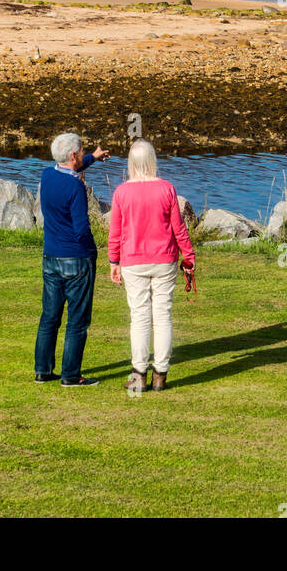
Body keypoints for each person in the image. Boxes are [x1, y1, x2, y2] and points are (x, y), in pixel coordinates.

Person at [108, 138, 195, 393]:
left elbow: (115, 232)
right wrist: (188, 257)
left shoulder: (122, 192)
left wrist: (114, 261)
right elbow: (178, 228)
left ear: (131, 163)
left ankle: (139, 373)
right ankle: (160, 373)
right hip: (164, 259)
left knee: (140, 317)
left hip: (134, 260)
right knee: (162, 315)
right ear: (152, 161)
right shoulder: (167, 188)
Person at [34, 131, 110, 387]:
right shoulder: (75, 186)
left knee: (50, 317)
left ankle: (43, 371)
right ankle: (70, 375)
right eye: (81, 151)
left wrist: (92, 158)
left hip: (51, 257)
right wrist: (92, 251)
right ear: (72, 154)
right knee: (77, 320)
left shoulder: (47, 175)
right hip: (77, 259)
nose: (82, 154)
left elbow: (70, 167)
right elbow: (81, 228)